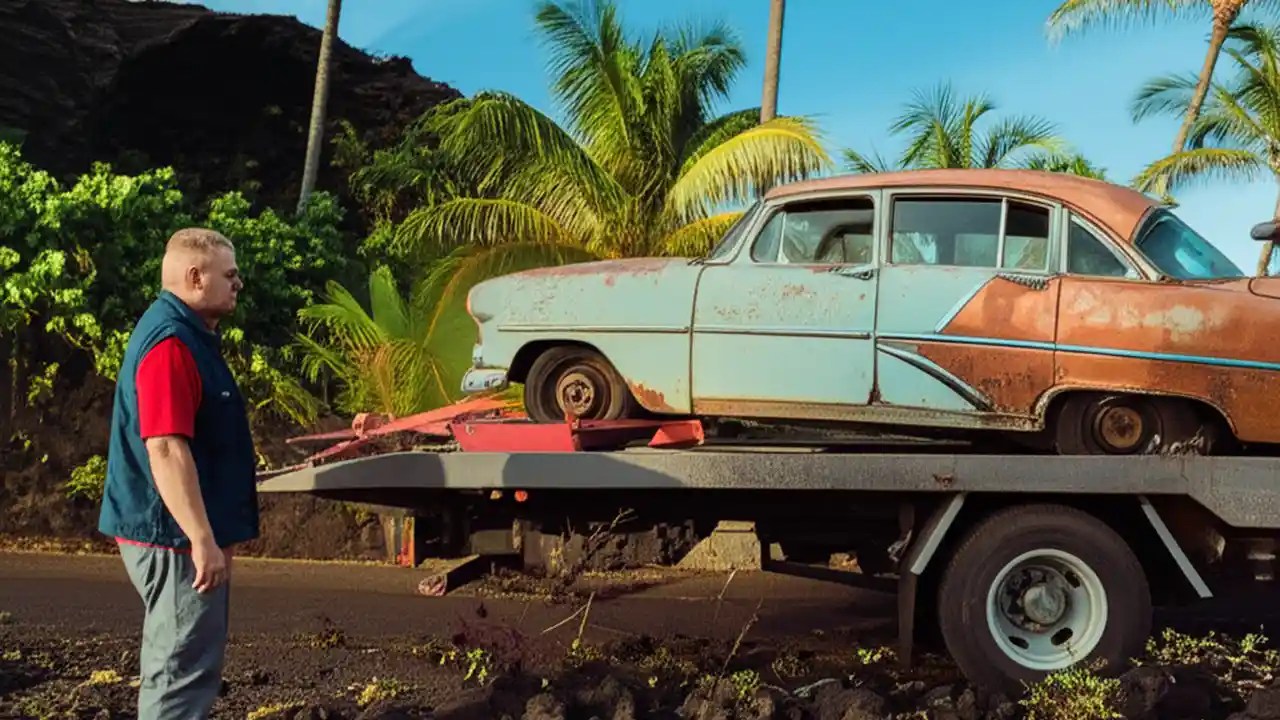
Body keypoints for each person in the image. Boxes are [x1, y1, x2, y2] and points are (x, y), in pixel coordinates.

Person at [98, 227, 258, 720]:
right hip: (173, 537)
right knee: (178, 674)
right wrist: (201, 538)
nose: (239, 284)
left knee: (186, 665)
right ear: (195, 277)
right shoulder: (171, 345)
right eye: (229, 275)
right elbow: (165, 448)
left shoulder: (190, 335)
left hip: (179, 533)